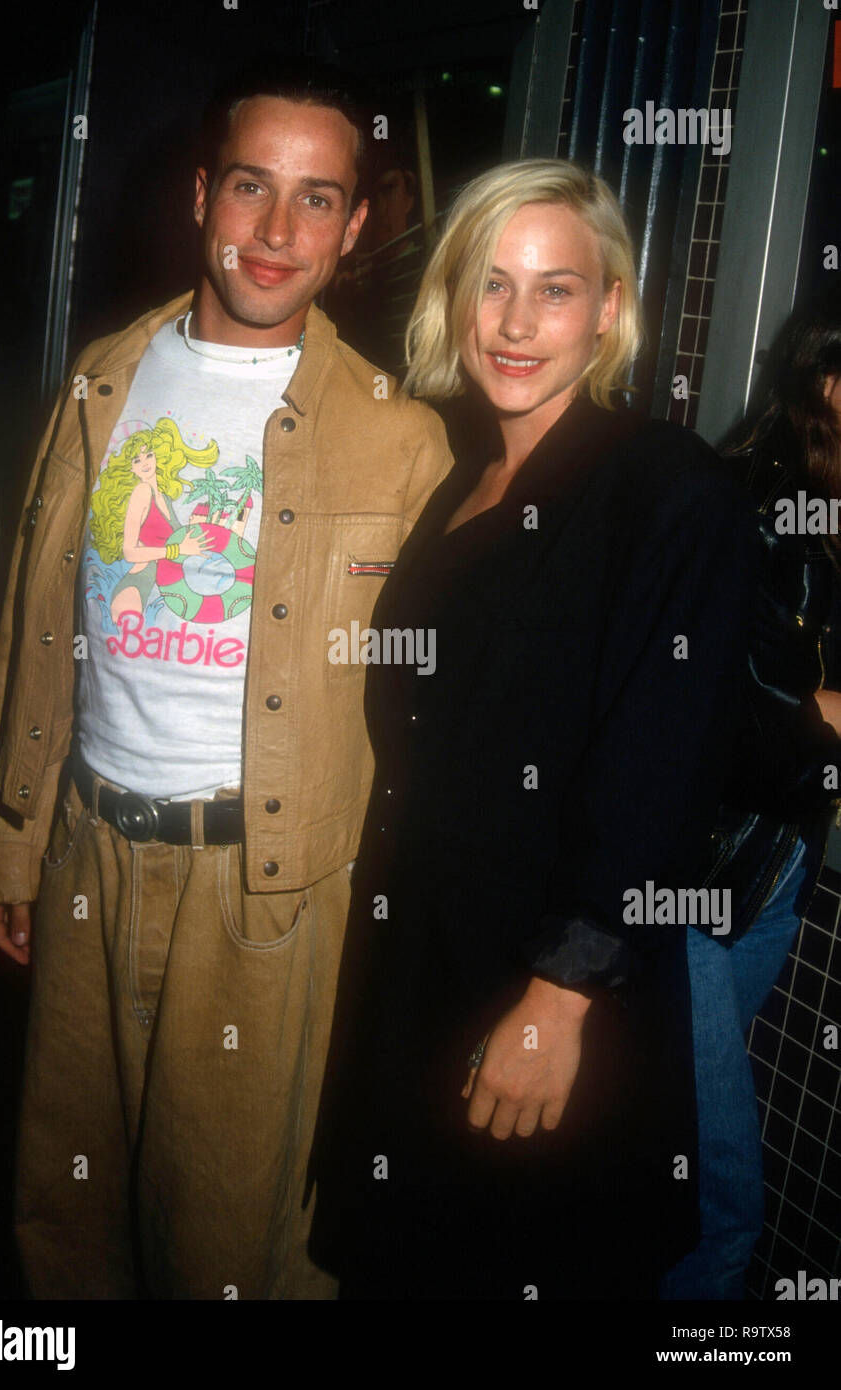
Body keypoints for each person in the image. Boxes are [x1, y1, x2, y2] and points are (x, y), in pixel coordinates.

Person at [0, 61, 451, 1300]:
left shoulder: (400, 436)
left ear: (355, 226)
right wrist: (13, 843)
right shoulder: (103, 379)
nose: (276, 232)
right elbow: (37, 619)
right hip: (86, 844)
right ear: (200, 194)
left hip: (268, 894)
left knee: (229, 1242)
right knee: (62, 1215)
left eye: (315, 199)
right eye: (251, 187)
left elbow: (441, 699)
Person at [308, 158, 760, 1299]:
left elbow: (661, 761)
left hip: (545, 988)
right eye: (491, 285)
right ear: (450, 296)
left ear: (608, 307)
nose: (515, 324)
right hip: (426, 956)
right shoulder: (459, 471)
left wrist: (559, 998)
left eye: (555, 289)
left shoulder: (664, 485)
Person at [661, 288, 841, 1300]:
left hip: (770, 879)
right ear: (825, 382)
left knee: (661, 1148)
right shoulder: (749, 507)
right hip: (683, 884)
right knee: (717, 1206)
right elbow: (730, 721)